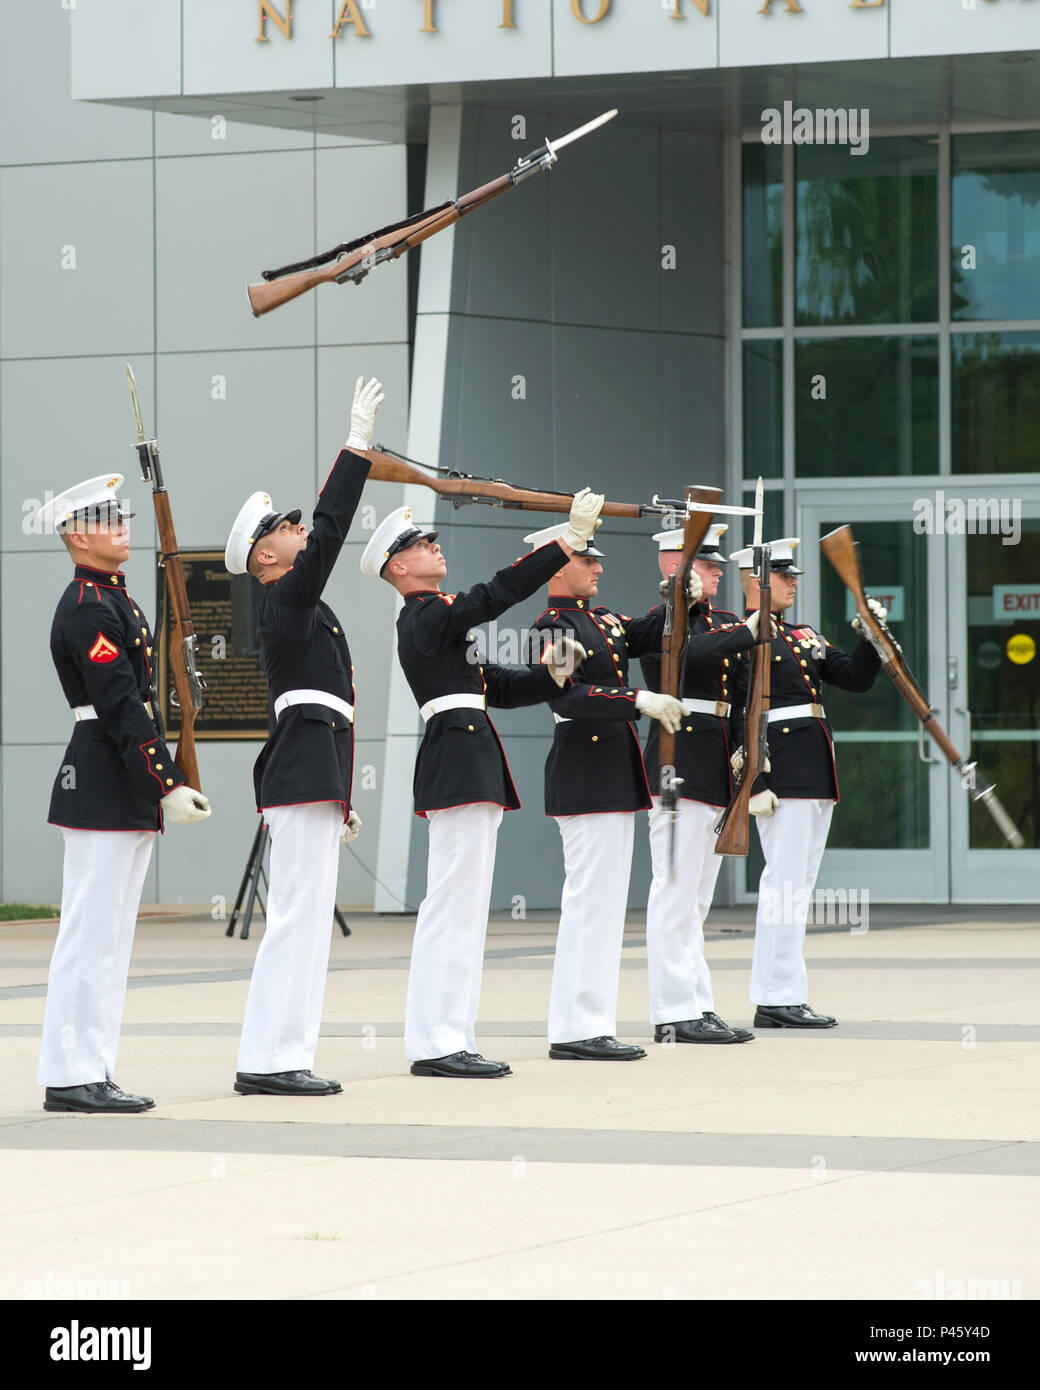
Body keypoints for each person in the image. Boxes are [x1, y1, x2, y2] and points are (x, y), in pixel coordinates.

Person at [362, 492, 600, 1077]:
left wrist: (551, 676)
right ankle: (438, 1042)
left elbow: (496, 684)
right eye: (421, 545)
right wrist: (562, 543)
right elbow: (495, 594)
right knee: (453, 907)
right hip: (458, 763)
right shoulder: (423, 614)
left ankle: (450, 1036)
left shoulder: (436, 620)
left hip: (469, 760)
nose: (435, 547)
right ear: (397, 567)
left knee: (464, 908)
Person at [224, 375, 383, 1096]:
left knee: (309, 921)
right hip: (299, 771)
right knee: (295, 919)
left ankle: (286, 1054)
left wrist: (340, 794)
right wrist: (356, 448)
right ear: (265, 558)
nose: (298, 531)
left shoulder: (303, 605)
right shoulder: (285, 600)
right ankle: (266, 1059)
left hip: (316, 772)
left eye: (294, 522)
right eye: (283, 527)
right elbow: (331, 533)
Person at [36, 474, 211, 1115]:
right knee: (89, 935)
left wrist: (162, 782)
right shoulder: (88, 605)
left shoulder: (116, 599)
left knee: (110, 939)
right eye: (107, 519)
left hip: (120, 782)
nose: (122, 525)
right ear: (78, 535)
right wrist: (166, 782)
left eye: (122, 515)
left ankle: (94, 1068)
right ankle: (70, 1072)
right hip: (103, 779)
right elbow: (117, 705)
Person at [527, 523, 688, 1061]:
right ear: (556, 568)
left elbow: (649, 631)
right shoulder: (548, 626)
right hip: (585, 772)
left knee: (607, 905)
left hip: (614, 776)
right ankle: (575, 1027)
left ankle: (590, 1021)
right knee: (590, 903)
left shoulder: (603, 620)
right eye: (587, 560)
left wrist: (678, 593)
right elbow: (568, 697)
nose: (598, 567)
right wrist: (636, 698)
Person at [728, 537, 883, 1029]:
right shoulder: (738, 636)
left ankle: (786, 993)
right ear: (757, 581)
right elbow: (737, 711)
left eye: (793, 574)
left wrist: (872, 637)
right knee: (784, 884)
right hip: (782, 771)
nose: (794, 581)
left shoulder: (802, 636)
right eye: (783, 574)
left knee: (800, 886)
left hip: (815, 768)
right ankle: (775, 996)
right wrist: (752, 778)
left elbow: (854, 678)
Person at [640, 524, 767, 1045]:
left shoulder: (724, 623)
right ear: (675, 567)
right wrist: (747, 630)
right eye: (707, 563)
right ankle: (673, 1010)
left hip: (713, 762)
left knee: (696, 895)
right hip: (678, 762)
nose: (718, 572)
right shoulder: (659, 622)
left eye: (717, 565)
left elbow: (741, 696)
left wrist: (747, 754)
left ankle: (696, 1002)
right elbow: (687, 655)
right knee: (674, 888)